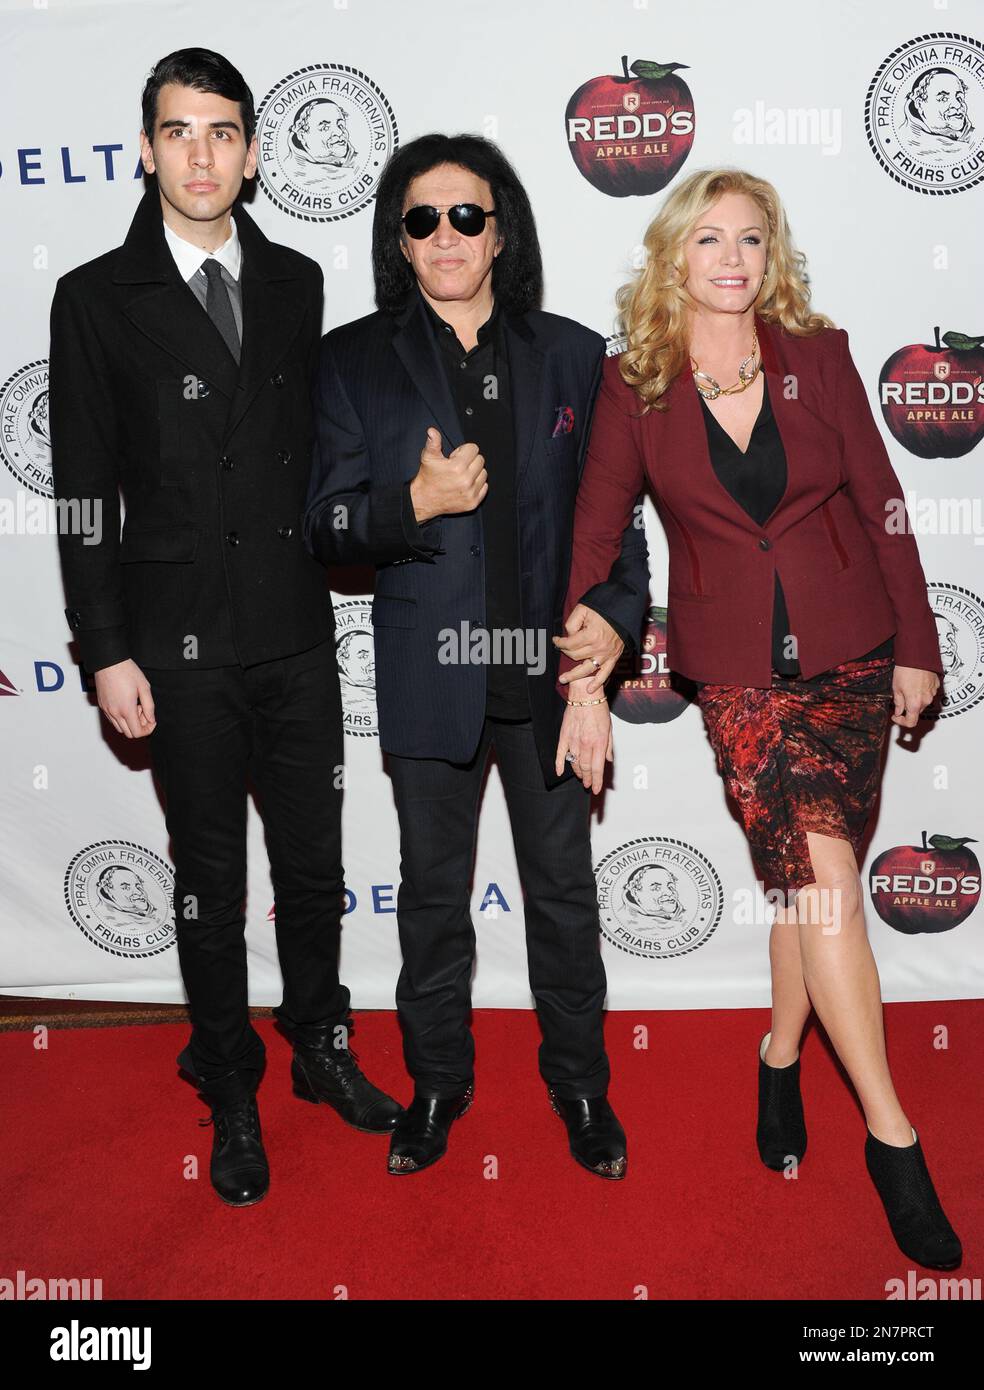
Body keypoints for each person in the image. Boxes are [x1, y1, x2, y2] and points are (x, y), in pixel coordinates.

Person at [555, 167, 962, 1269]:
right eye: (710, 239)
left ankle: (780, 1051)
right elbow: (594, 542)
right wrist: (585, 674)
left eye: (752, 239)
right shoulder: (633, 384)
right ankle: (894, 1136)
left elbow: (883, 503)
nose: (732, 258)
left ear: (770, 257)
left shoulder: (818, 359)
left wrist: (917, 645)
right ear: (672, 255)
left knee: (802, 885)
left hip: (855, 659)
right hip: (737, 678)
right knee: (825, 882)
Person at [48, 47, 400, 1209]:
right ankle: (233, 1083)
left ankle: (319, 1046)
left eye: (223, 132)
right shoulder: (98, 297)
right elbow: (86, 488)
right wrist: (103, 647)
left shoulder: (299, 281)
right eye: (178, 131)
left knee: (313, 868)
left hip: (297, 636)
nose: (201, 153)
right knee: (208, 877)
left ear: (252, 154)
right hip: (176, 645)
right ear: (145, 149)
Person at [304, 133, 649, 1177]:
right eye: (421, 219)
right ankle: (438, 1083)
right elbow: (322, 527)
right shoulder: (351, 359)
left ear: (500, 231)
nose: (445, 236)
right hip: (430, 674)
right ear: (399, 242)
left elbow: (619, 525)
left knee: (564, 897)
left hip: (548, 680)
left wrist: (618, 619)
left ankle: (582, 1087)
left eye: (466, 215)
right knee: (430, 900)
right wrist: (413, 503)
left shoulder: (576, 354)